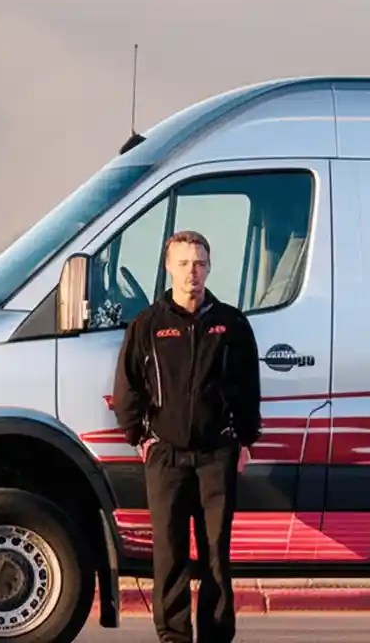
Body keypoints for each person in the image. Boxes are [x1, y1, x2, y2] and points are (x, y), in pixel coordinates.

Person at [112, 229, 262, 643]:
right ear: (168, 268)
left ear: (210, 267)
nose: (191, 272)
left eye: (198, 263)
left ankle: (215, 635)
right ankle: (173, 635)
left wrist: (246, 439)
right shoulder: (147, 325)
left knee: (216, 553)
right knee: (170, 554)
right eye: (183, 264)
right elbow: (128, 389)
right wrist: (138, 438)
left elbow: (248, 386)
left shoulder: (230, 324)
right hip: (166, 458)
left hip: (217, 456)